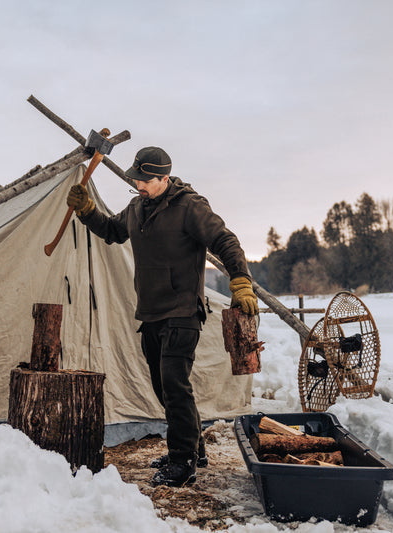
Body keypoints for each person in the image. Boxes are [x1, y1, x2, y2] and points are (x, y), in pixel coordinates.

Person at [66, 146, 259, 487]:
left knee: (174, 385)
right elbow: (112, 231)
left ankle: (182, 463)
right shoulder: (137, 207)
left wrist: (241, 281)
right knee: (164, 386)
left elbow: (225, 240)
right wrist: (87, 210)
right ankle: (194, 448)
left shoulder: (190, 207)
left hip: (183, 312)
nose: (138, 184)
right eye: (135, 178)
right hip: (151, 312)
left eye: (144, 180)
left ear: (164, 178)